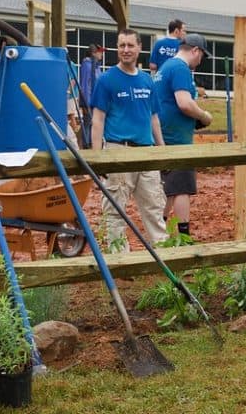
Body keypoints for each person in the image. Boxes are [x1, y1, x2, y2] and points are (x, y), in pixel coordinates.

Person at [90, 28, 168, 252]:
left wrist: (162, 151)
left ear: (139, 48)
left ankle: (164, 257)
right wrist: (97, 158)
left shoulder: (147, 80)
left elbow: (154, 118)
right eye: (121, 45)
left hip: (146, 152)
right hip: (118, 150)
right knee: (115, 211)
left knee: (155, 208)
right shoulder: (106, 80)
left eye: (130, 45)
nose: (125, 50)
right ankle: (119, 261)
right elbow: (97, 120)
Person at [153, 33, 213, 237]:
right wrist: (204, 116)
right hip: (176, 139)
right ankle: (183, 236)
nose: (200, 61)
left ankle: (159, 230)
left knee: (169, 188)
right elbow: (185, 103)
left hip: (164, 135)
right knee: (182, 188)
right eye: (202, 56)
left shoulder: (166, 67)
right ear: (195, 51)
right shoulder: (180, 68)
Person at [79, 43, 104, 148]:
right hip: (89, 101)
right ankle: (86, 144)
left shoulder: (96, 66)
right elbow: (85, 85)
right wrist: (85, 102)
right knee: (88, 122)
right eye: (100, 52)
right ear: (94, 53)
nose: (101, 54)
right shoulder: (87, 65)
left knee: (94, 123)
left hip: (96, 101)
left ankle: (92, 143)